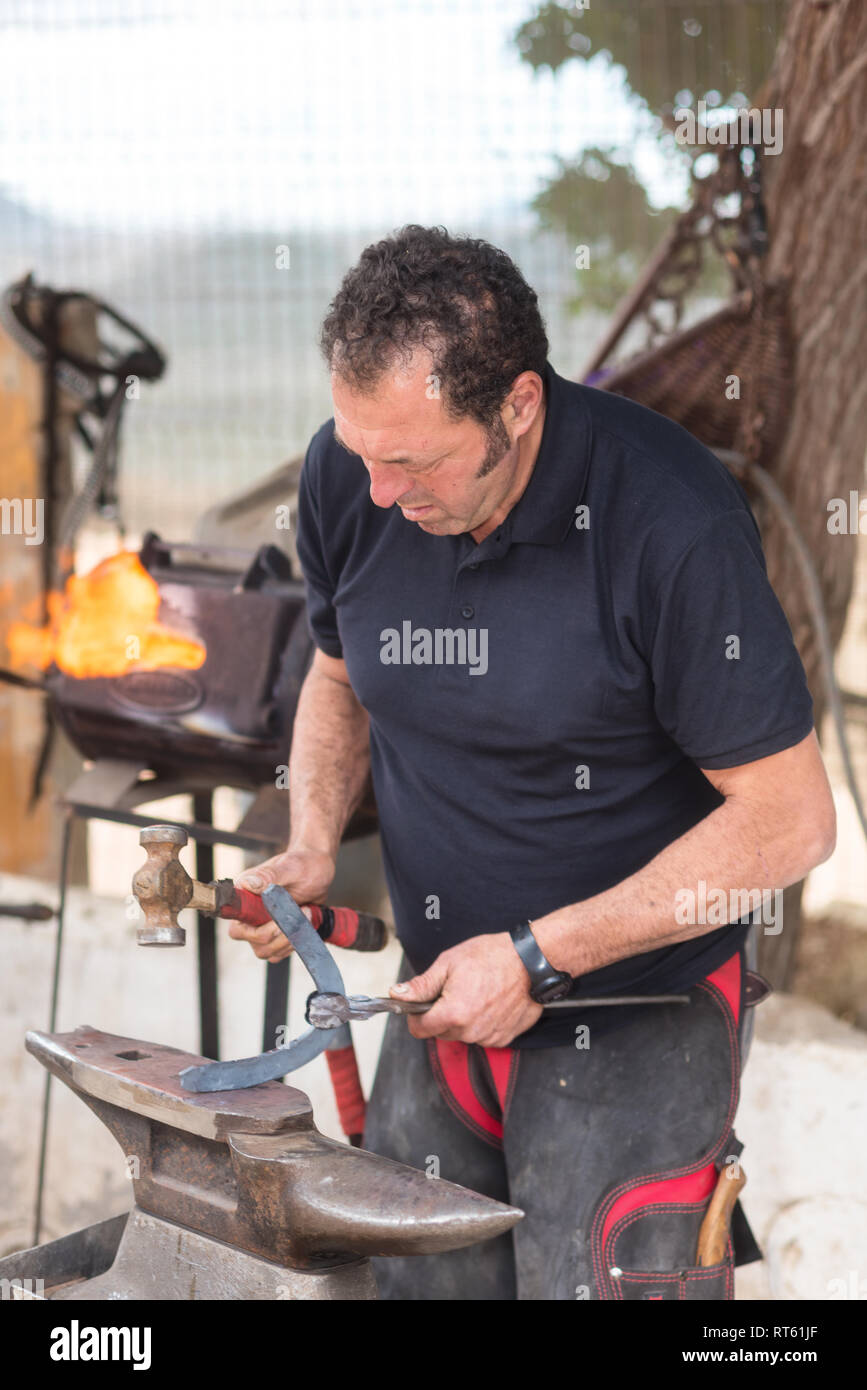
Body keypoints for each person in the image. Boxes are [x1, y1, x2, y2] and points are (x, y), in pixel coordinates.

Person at [229, 225, 836, 1300]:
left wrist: (541, 955)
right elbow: (336, 675)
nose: (374, 492)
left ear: (516, 404)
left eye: (409, 460)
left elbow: (790, 821)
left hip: (637, 1014)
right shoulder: (353, 475)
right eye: (358, 450)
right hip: (442, 1005)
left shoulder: (670, 519)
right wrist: (313, 841)